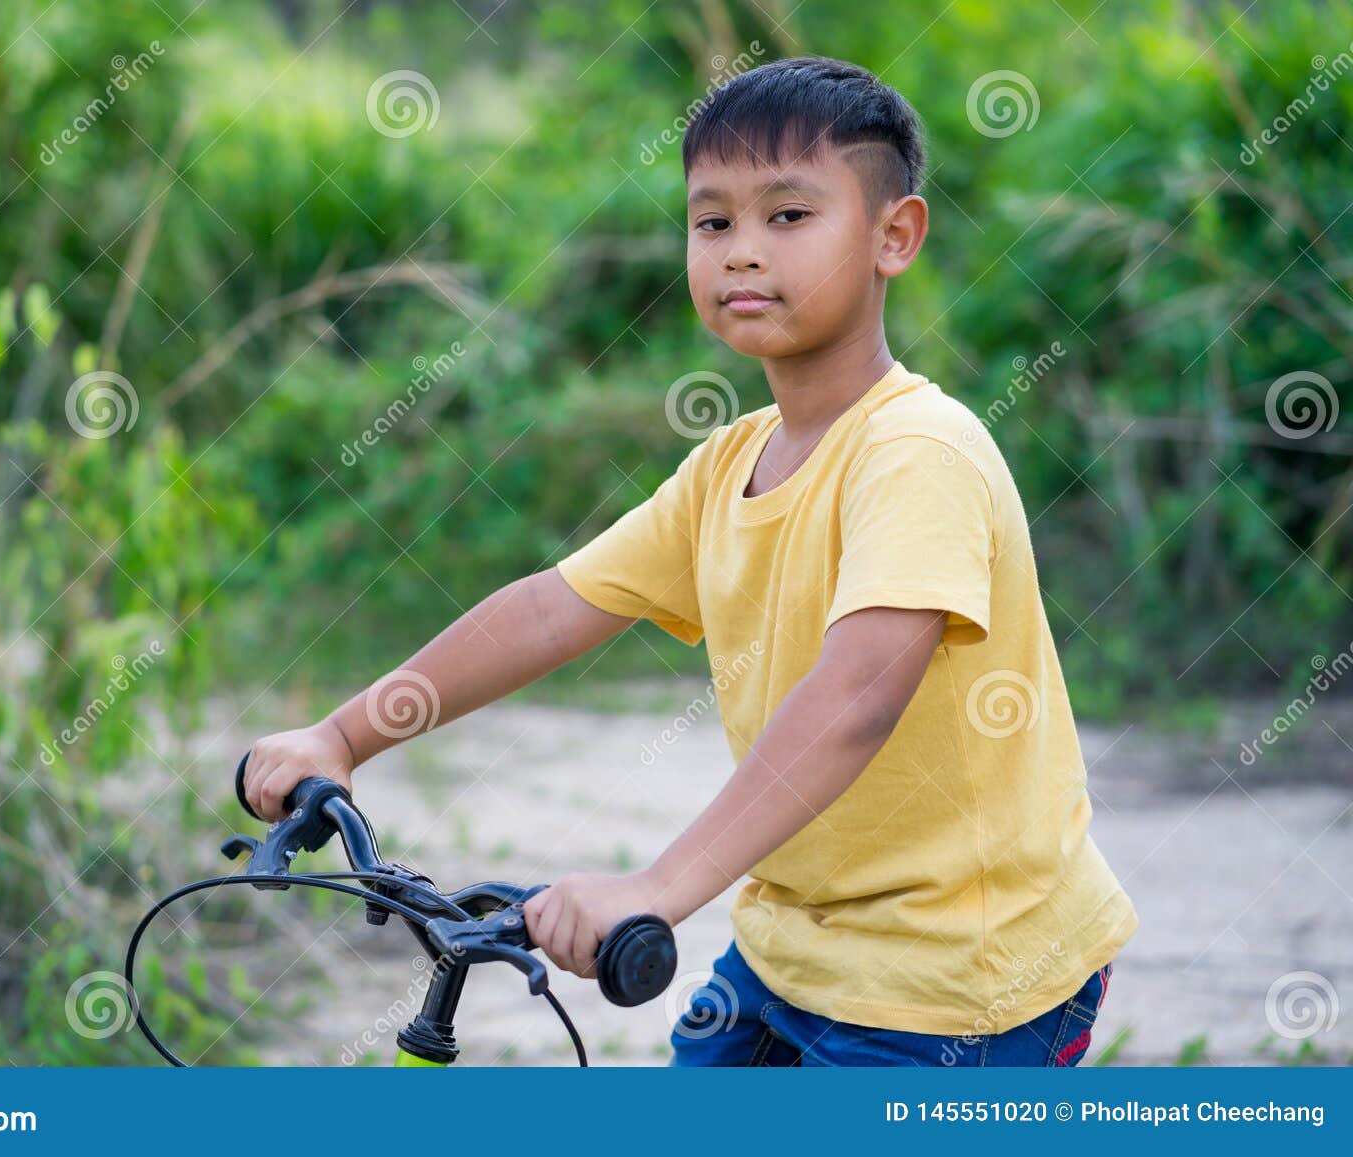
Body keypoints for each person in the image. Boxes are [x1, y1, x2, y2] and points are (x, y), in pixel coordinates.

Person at [242, 55, 1136, 1067]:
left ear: (894, 236)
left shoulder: (917, 452)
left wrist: (658, 886)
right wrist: (342, 735)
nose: (742, 251)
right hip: (792, 950)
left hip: (964, 980)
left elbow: (856, 696)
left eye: (787, 216)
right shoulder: (729, 464)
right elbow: (550, 609)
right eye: (712, 222)